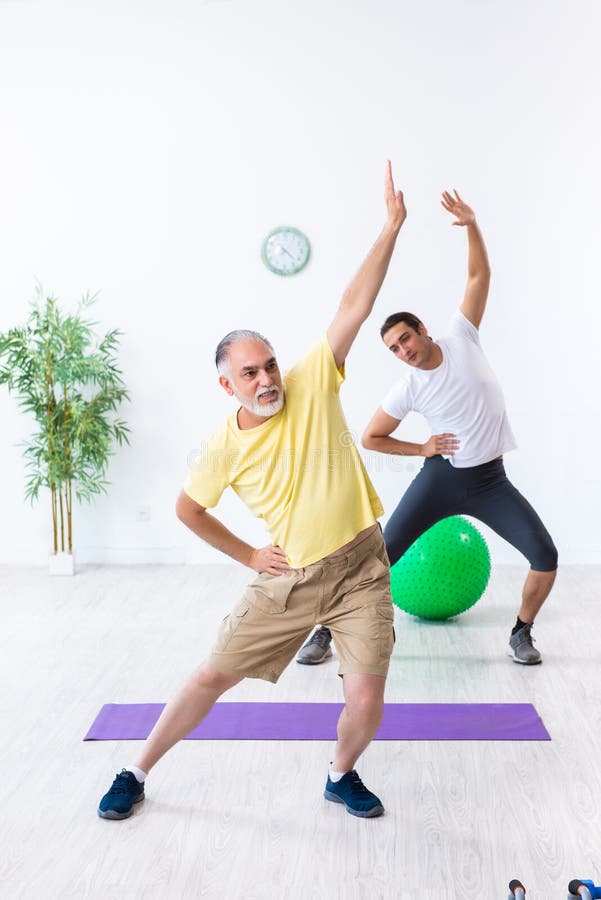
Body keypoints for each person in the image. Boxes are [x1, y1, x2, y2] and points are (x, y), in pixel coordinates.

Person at [97, 161, 406, 821]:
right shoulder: (221, 447)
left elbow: (354, 304)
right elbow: (188, 510)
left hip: (361, 567)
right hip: (290, 578)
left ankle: (339, 774)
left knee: (366, 703)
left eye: (268, 365)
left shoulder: (312, 382)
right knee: (211, 676)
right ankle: (135, 767)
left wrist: (390, 227)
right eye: (250, 372)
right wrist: (246, 557)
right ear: (226, 385)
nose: (267, 379)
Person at [300, 189, 557, 667]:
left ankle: (522, 633)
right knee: (380, 559)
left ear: (421, 328)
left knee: (545, 554)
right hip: (442, 479)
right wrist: (421, 447)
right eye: (394, 349)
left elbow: (480, 275)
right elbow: (371, 436)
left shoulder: (462, 337)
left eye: (405, 339)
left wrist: (472, 225)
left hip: (490, 482)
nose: (404, 351)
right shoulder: (408, 388)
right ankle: (323, 632)